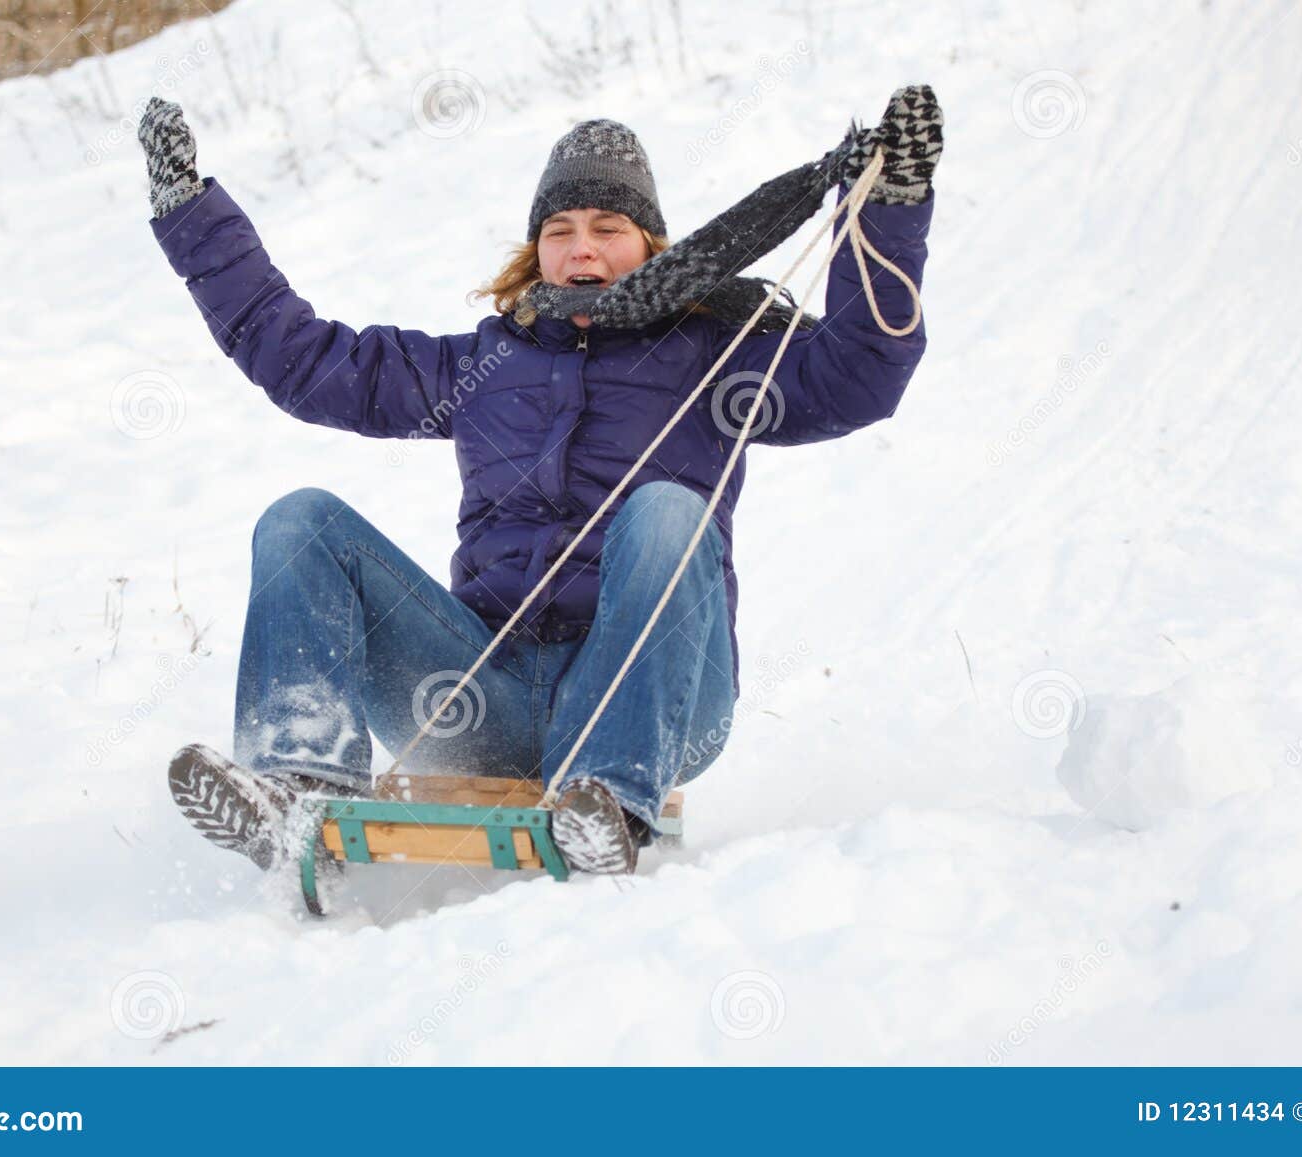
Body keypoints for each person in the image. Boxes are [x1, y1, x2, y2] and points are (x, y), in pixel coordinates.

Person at [140, 87, 940, 875]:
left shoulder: (715, 357)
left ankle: (609, 799)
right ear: (537, 252)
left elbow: (859, 374)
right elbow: (307, 361)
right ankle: (296, 782)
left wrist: (889, 204)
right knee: (300, 522)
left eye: (608, 227)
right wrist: (190, 215)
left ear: (651, 246)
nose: (582, 248)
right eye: (560, 230)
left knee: (666, 510)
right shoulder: (482, 366)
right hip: (483, 697)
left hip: (660, 700)